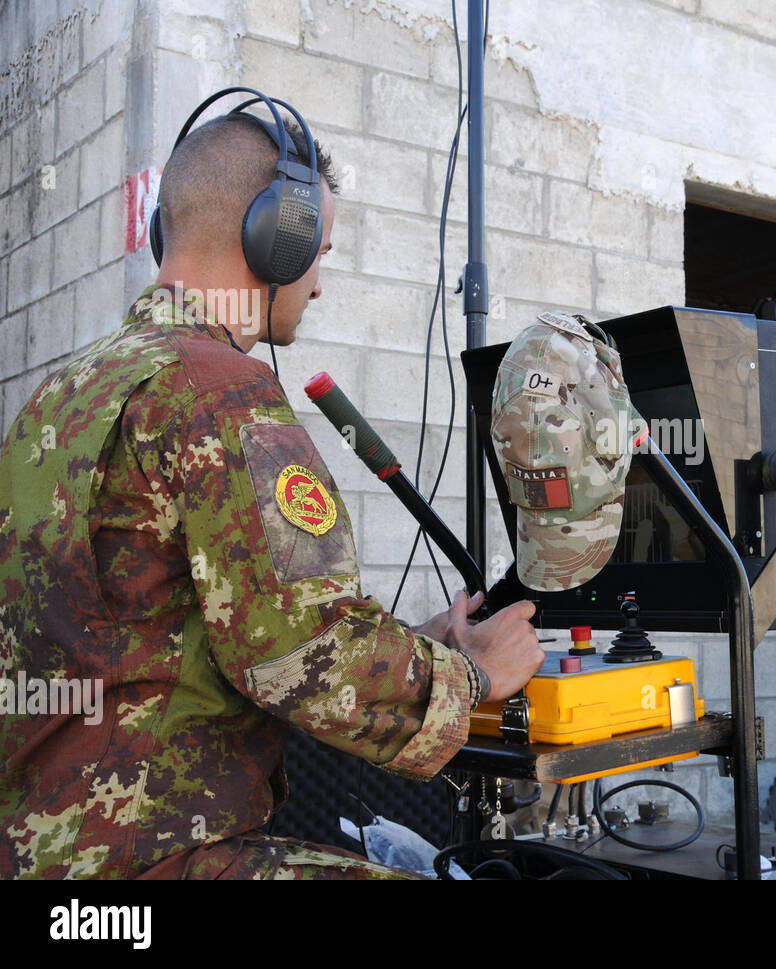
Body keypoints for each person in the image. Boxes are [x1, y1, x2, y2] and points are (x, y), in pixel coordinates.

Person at [0, 97, 543, 879]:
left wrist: (420, 645)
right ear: (274, 239)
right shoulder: (217, 390)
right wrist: (475, 671)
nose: (317, 284)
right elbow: (302, 653)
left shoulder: (57, 398)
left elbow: (182, 631)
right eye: (318, 251)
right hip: (154, 861)